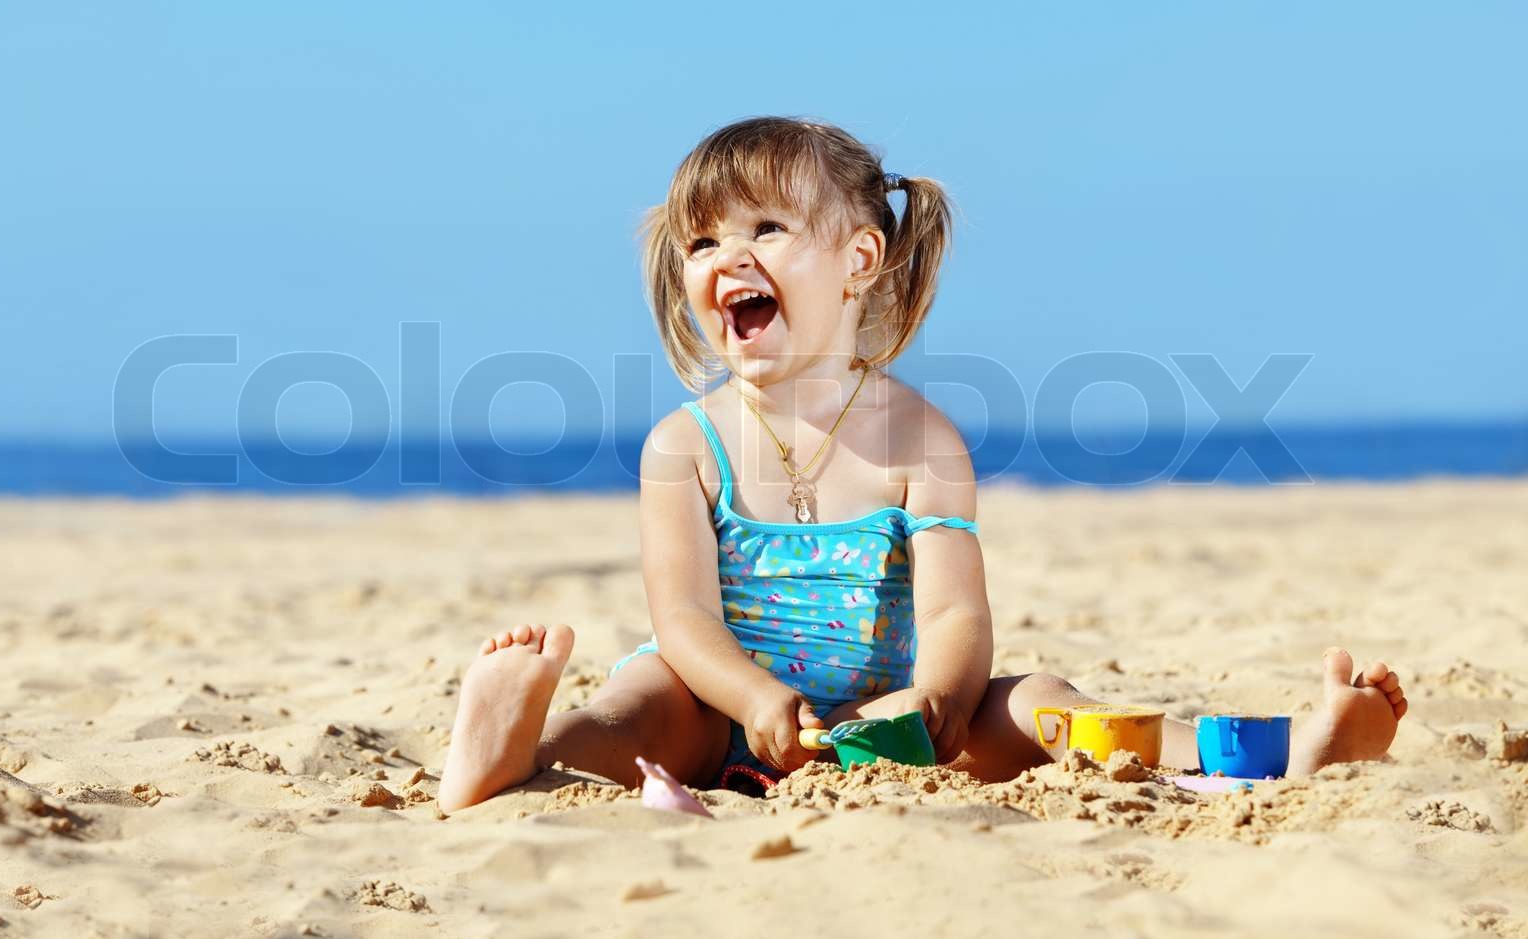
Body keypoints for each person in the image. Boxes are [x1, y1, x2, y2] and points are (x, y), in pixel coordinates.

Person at [437, 117, 1407, 811]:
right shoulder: (683, 446)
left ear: (859, 259)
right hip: (721, 706)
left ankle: (1278, 750)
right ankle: (515, 749)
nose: (726, 255)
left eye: (765, 228)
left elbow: (952, 612)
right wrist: (753, 697)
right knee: (637, 704)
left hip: (887, 709)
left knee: (1041, 703)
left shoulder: (921, 439)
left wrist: (939, 700)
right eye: (702, 240)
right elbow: (683, 618)